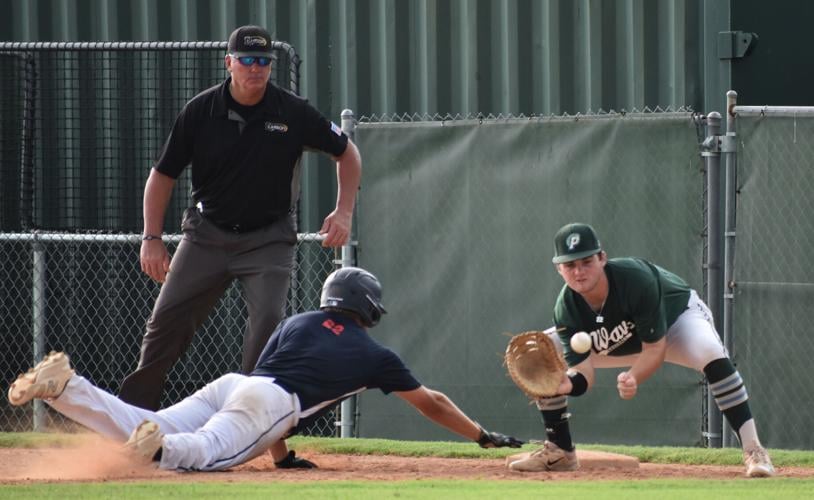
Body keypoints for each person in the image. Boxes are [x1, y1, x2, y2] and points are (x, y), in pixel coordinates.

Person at [8, 267, 523, 471]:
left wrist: (281, 458)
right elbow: (431, 401)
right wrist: (480, 436)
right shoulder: (373, 356)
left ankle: (68, 388)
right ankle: (161, 449)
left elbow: (259, 390)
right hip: (270, 403)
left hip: (238, 385)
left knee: (146, 419)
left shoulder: (299, 321)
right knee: (203, 454)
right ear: (366, 309)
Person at [120, 25, 362, 411]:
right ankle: (132, 420)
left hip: (268, 239)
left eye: (264, 61)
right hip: (206, 236)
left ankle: (248, 419)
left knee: (268, 325)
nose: (256, 68)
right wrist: (151, 238)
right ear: (228, 62)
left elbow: (346, 153)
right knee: (165, 323)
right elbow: (162, 175)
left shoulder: (291, 111)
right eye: (247, 60)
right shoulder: (201, 111)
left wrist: (344, 210)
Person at [506, 223, 775, 478]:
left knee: (709, 352)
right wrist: (568, 384)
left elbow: (655, 348)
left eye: (587, 261)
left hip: (675, 323)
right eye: (570, 265)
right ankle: (560, 452)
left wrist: (634, 376)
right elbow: (584, 372)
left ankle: (754, 449)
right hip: (617, 341)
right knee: (540, 349)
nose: (579, 271)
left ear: (602, 258)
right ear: (559, 269)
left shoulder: (634, 279)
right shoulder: (566, 308)